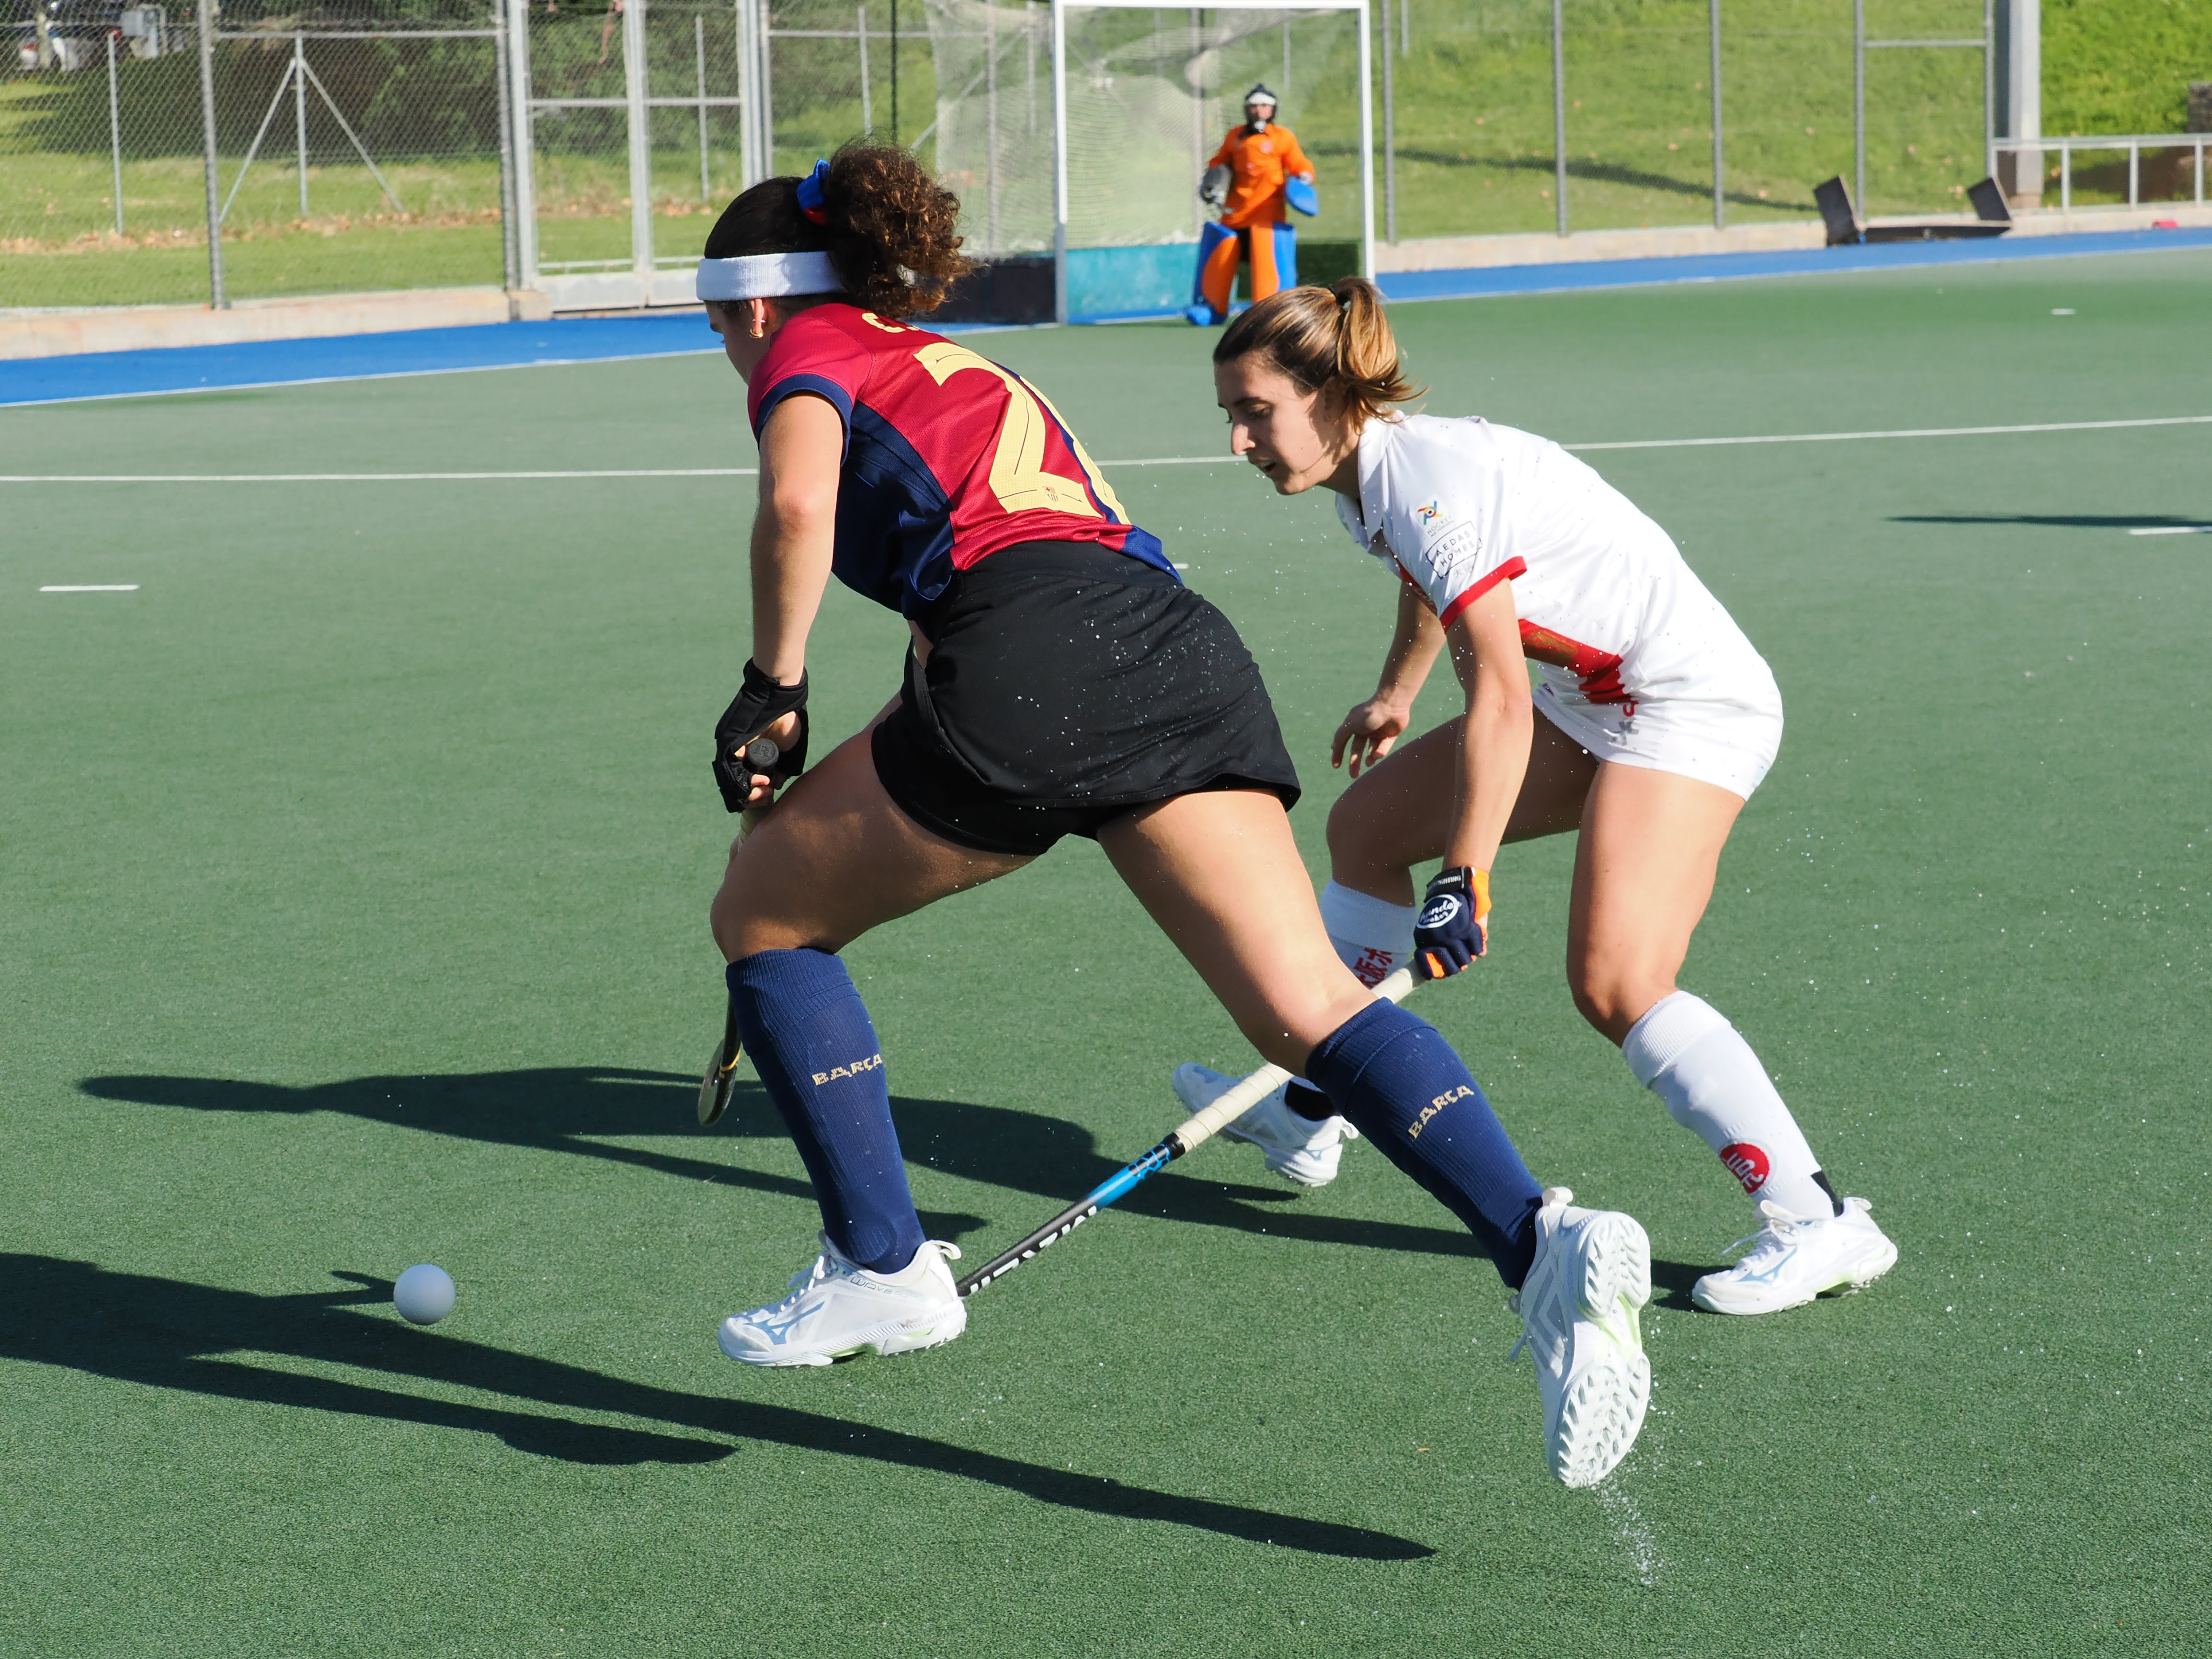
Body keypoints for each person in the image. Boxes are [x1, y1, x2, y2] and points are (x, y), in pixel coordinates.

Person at [695, 144, 1651, 1486]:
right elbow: (1022, 553)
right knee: (1307, 1007)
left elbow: (800, 502)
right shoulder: (955, 367)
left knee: (764, 912)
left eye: (714, 327)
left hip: (1037, 659)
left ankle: (879, 1265)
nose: (726, 351)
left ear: (748, 306)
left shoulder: (808, 351)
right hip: (1175, 648)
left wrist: (771, 688)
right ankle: (1539, 1240)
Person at [1187, 279, 1898, 1318]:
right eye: (1231, 417)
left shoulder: (1424, 478)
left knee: (1616, 980)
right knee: (1364, 830)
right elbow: (1435, 580)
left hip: (1684, 706)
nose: (1240, 443)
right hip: (1591, 702)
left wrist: (1465, 876)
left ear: (1332, 393)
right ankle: (1312, 1106)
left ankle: (1817, 1220)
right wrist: (1396, 689)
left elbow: (1503, 701)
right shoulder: (1370, 474)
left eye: (1255, 412)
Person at [1186, 85, 1316, 328]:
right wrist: (1212, 181)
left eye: (1264, 106)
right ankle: (1211, 307)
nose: (1258, 111)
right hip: (1235, 216)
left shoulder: (1282, 138)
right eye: (1254, 106)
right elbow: (1220, 161)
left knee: (1268, 265)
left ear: (1273, 110)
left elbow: (1299, 164)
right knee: (1220, 259)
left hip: (1267, 218)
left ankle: (1272, 311)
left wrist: (1304, 178)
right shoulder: (1235, 137)